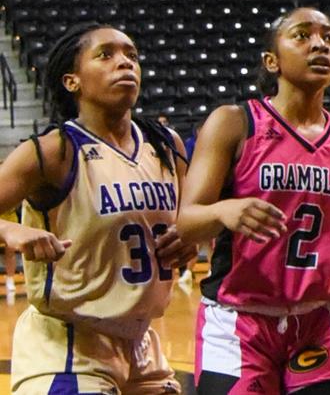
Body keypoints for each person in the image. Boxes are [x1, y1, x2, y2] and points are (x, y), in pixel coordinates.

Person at [178, 8, 330, 395]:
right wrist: (226, 211)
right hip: (238, 322)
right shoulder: (234, 124)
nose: (320, 45)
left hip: (318, 324)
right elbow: (185, 222)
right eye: (302, 35)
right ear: (271, 61)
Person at [0, 24, 190, 395]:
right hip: (68, 346)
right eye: (106, 55)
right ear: (72, 81)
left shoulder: (165, 145)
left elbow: (189, 220)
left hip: (143, 344)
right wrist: (10, 231)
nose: (124, 63)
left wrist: (189, 237)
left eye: (131, 55)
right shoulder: (52, 151)